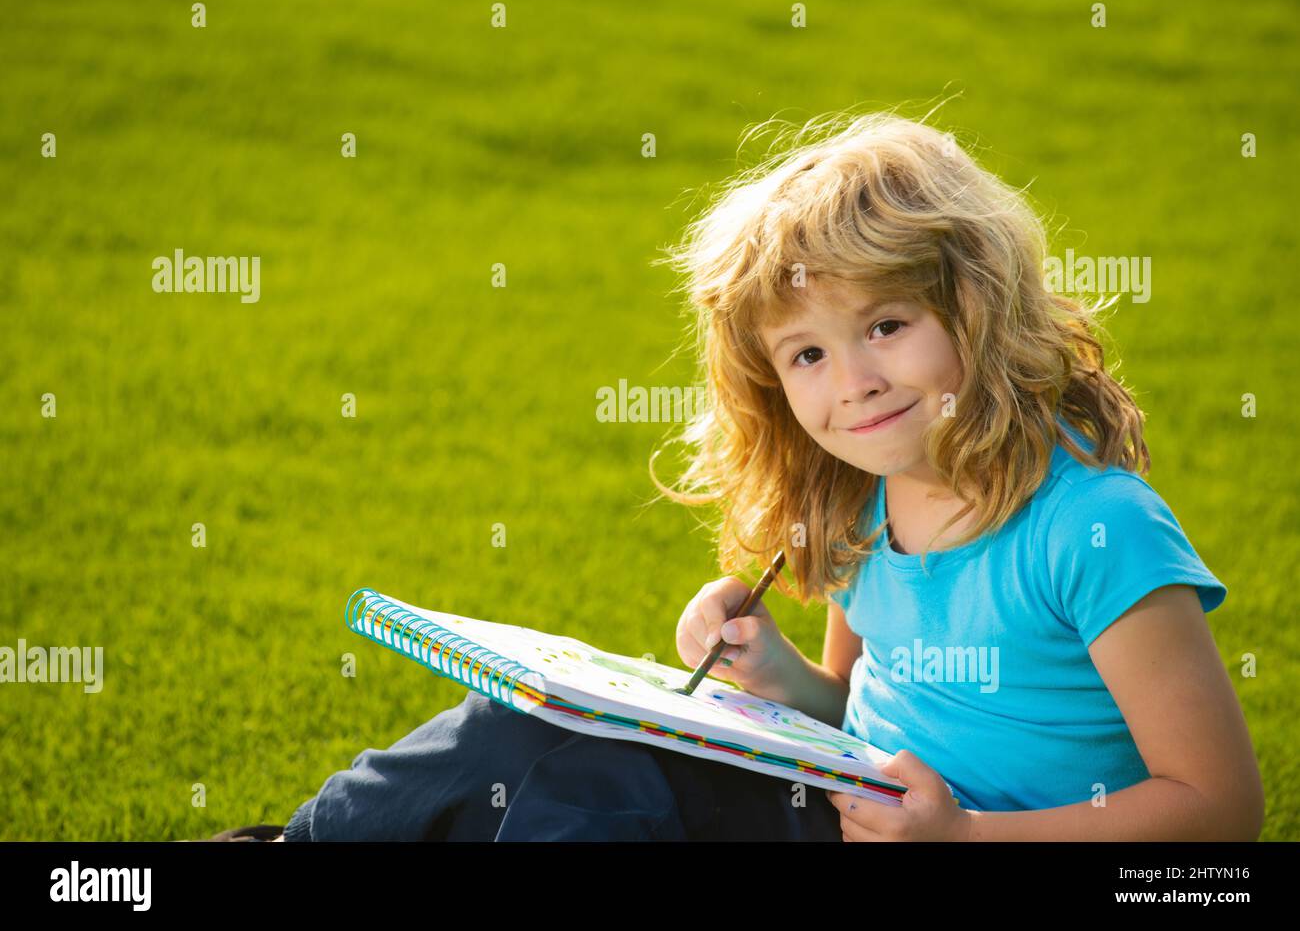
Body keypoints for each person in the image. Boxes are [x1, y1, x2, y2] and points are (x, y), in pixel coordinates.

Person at [213, 109, 1263, 841]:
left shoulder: (1093, 528)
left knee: (599, 806)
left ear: (978, 312)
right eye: (806, 352)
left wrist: (967, 831)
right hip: (848, 815)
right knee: (525, 734)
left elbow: (1219, 808)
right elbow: (851, 708)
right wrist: (775, 675)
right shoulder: (868, 501)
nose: (851, 382)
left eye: (885, 326)